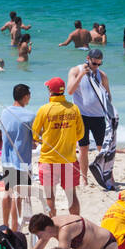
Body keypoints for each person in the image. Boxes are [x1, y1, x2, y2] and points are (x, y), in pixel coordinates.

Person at [31, 76, 83, 215]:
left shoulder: (44, 109)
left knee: (50, 196)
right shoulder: (74, 109)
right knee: (71, 196)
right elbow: (80, 134)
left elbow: (35, 135)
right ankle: (75, 224)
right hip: (69, 159)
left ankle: (53, 224)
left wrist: (43, 140)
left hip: (49, 159)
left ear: (50, 91)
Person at [67, 50, 112, 187]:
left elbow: (108, 95)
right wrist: (81, 75)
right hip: (81, 115)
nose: (96, 66)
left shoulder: (102, 75)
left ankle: (108, 176)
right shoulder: (75, 70)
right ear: (87, 58)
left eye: (99, 64)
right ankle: (84, 178)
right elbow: (69, 90)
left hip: (98, 116)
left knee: (102, 149)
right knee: (84, 148)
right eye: (94, 63)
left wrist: (110, 113)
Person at [0, 83, 35, 230]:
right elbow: (35, 140)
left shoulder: (4, 112)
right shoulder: (30, 115)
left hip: (6, 158)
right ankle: (14, 229)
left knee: (7, 193)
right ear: (25, 96)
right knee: (18, 196)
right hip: (21, 160)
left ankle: (5, 225)